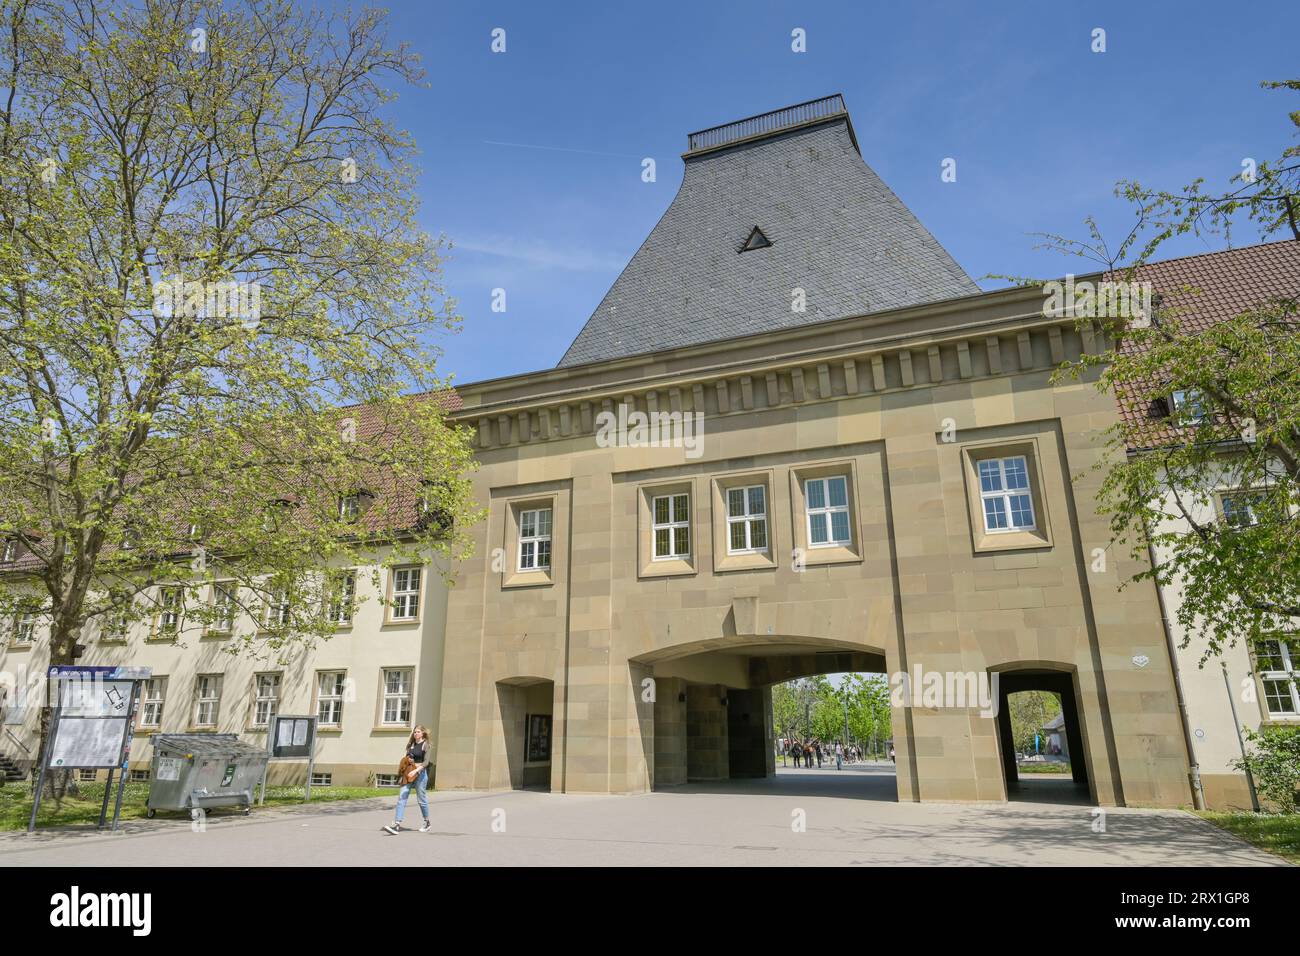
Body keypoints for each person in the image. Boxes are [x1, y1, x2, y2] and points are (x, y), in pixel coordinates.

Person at [383, 725, 431, 834]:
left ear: (423, 733)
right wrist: (408, 760)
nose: (415, 734)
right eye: (414, 732)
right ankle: (397, 824)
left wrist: (416, 770)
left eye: (418, 732)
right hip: (408, 774)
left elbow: (426, 762)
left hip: (420, 774)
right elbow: (407, 758)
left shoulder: (425, 744)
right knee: (402, 797)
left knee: (422, 800)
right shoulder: (411, 744)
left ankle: (427, 822)